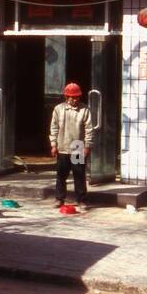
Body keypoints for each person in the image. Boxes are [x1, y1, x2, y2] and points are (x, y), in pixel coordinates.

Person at [50, 82, 93, 210]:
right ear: (66, 97)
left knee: (79, 175)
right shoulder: (58, 109)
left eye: (77, 97)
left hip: (77, 146)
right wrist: (53, 144)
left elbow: (89, 129)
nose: (75, 100)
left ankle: (81, 200)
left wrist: (87, 146)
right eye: (72, 97)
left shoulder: (84, 110)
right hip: (62, 146)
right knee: (61, 175)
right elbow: (54, 127)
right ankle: (59, 198)